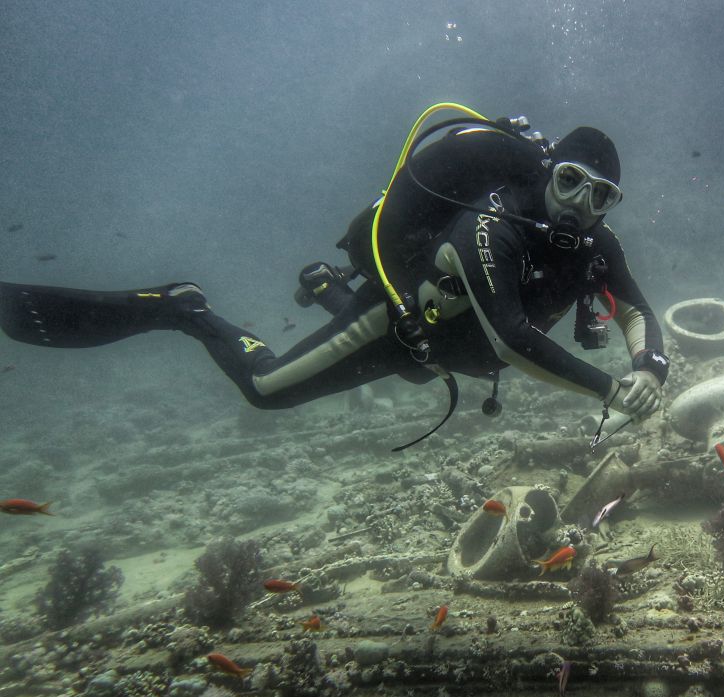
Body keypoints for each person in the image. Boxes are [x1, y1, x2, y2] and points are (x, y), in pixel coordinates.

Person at [0, 109, 669, 448]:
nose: (580, 205)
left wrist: (651, 369)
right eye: (570, 182)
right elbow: (511, 339)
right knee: (265, 391)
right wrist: (614, 390)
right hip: (397, 329)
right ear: (547, 173)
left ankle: (324, 285)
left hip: (440, 354)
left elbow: (635, 307)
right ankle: (187, 308)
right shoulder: (491, 224)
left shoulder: (594, 245)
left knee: (417, 369)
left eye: (600, 195)